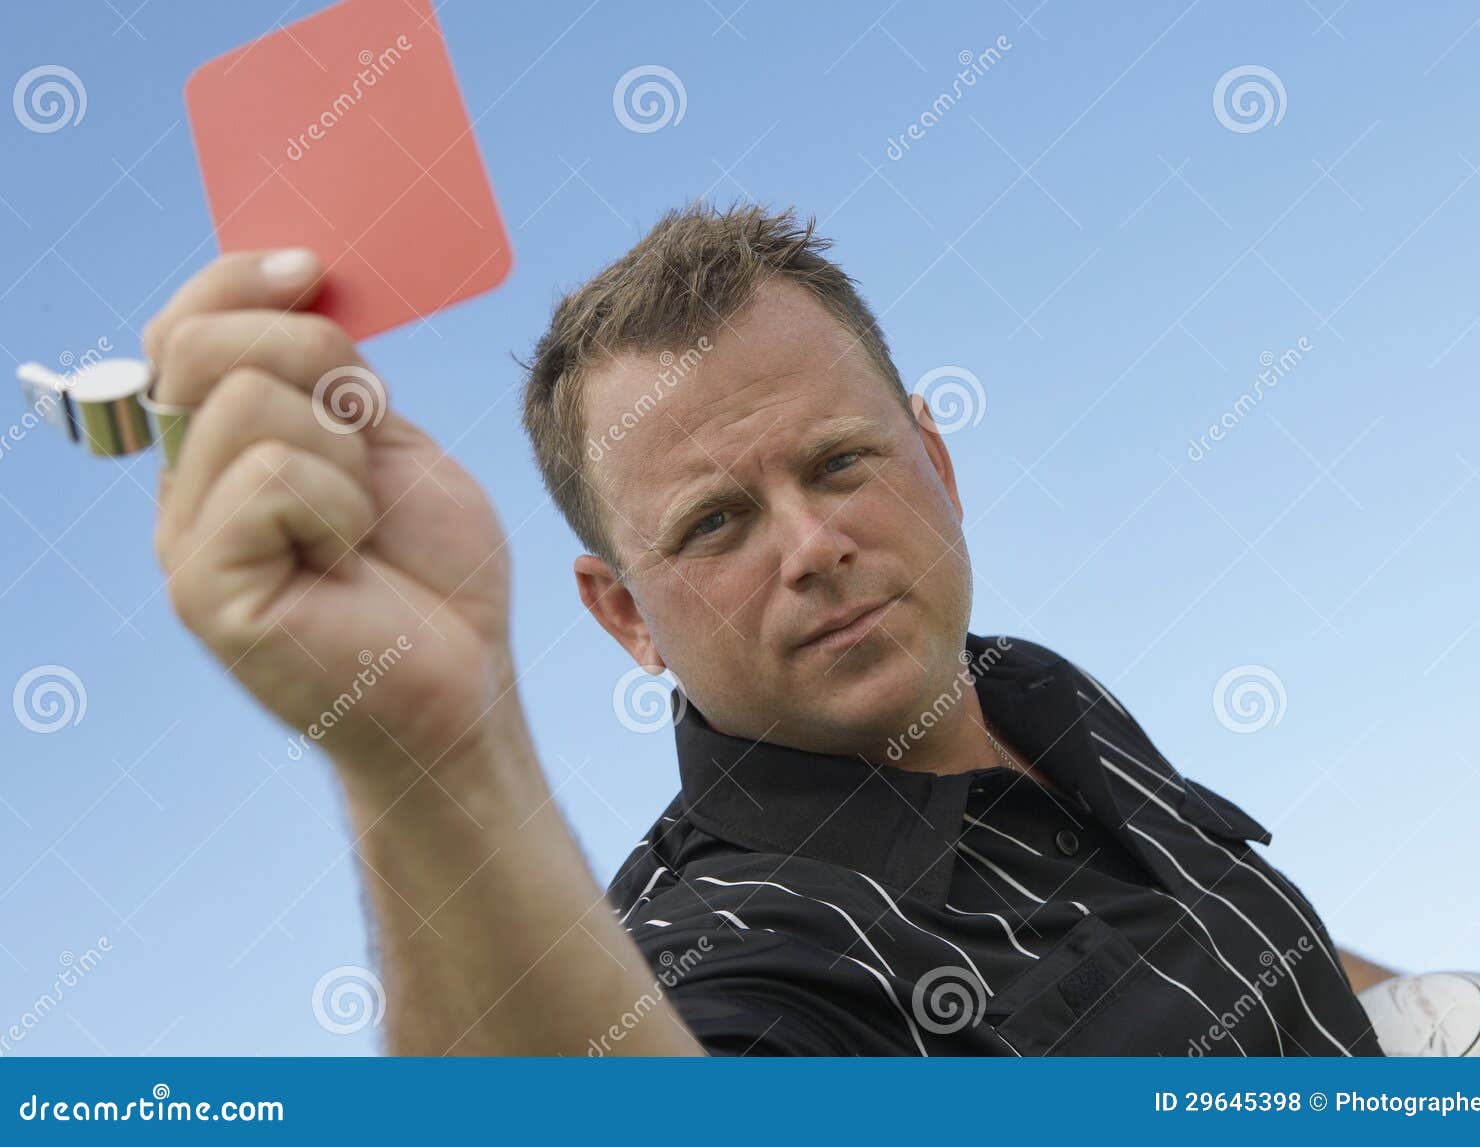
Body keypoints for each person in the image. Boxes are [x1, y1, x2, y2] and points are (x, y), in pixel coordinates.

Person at [145, 202, 1393, 1055]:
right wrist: (431, 761)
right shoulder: (723, 951)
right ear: (624, 615)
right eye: (715, 521)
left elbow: (1227, 930)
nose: (810, 547)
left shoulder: (1036, 695)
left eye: (842, 462)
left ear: (937, 468)